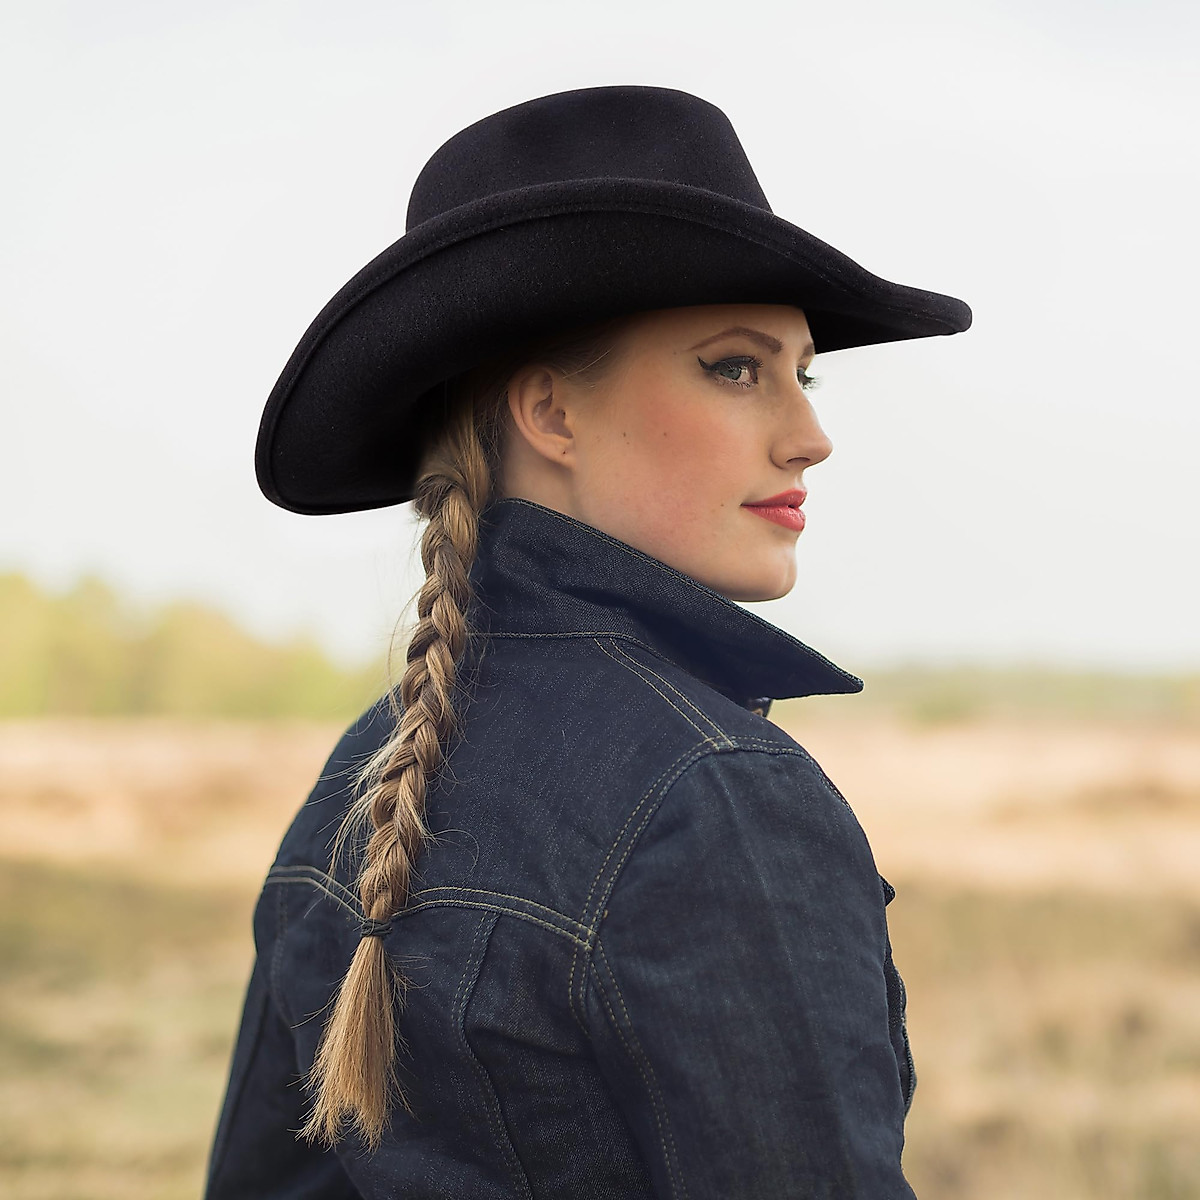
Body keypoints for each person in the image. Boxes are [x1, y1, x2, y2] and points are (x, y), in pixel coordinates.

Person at [204, 84, 971, 1198]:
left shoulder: (359, 775)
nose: (811, 438)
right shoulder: (716, 799)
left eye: (802, 374)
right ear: (551, 414)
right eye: (736, 366)